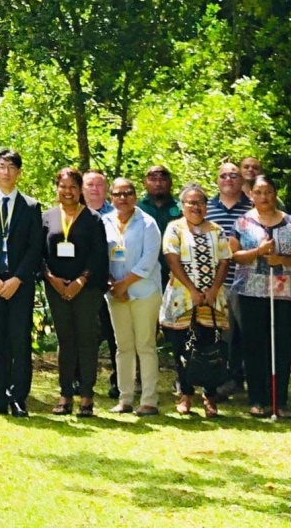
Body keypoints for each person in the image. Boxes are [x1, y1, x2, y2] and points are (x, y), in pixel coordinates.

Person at [0, 148, 42, 418]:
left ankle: (19, 398)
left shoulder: (31, 206)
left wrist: (17, 278)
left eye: (12, 167)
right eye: (1, 166)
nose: (6, 172)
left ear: (19, 172)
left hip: (19, 285)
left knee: (20, 341)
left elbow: (35, 248)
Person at [229, 176, 291, 418]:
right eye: (259, 192)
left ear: (275, 194)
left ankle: (279, 400)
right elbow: (234, 255)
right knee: (253, 345)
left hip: (281, 292)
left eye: (269, 192)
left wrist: (281, 259)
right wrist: (258, 252)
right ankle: (256, 398)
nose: (264, 197)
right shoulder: (242, 222)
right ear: (251, 195)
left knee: (280, 345)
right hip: (250, 291)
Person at [42, 168, 109, 417]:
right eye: (63, 186)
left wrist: (80, 281)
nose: (67, 191)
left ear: (80, 189)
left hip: (86, 289)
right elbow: (39, 253)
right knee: (65, 340)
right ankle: (65, 394)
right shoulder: (47, 217)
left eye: (73, 187)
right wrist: (52, 279)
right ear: (56, 188)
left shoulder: (93, 219)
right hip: (56, 288)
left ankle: (87, 395)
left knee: (86, 340)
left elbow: (98, 254)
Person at [160, 184, 229, 417]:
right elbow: (172, 259)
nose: (195, 207)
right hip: (182, 298)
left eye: (200, 202)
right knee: (182, 348)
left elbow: (224, 260)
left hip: (211, 299)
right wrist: (192, 289)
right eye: (190, 202)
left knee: (210, 347)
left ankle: (210, 397)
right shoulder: (174, 228)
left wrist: (213, 289)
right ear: (182, 205)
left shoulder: (217, 230)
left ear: (206, 206)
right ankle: (185, 395)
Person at [103, 178, 163, 416]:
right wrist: (113, 284)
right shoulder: (105, 221)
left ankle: (149, 400)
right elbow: (101, 256)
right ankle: (125, 399)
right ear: (111, 198)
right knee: (123, 347)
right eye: (118, 194)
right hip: (115, 293)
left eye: (128, 193)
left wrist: (125, 284)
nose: (123, 198)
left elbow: (149, 259)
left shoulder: (148, 223)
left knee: (145, 346)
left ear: (136, 196)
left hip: (144, 292)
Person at [207, 161, 253, 395]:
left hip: (246, 281)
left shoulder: (252, 206)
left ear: (241, 180)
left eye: (233, 175)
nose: (228, 179)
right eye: (223, 175)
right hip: (215, 283)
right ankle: (220, 380)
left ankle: (243, 379)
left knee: (246, 335)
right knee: (221, 335)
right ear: (217, 180)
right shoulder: (206, 207)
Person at [84, 168, 119, 398]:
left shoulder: (118, 215)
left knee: (115, 334)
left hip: (112, 283)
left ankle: (119, 381)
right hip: (81, 284)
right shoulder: (74, 213)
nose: (95, 189)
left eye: (100, 184)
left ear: (106, 188)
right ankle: (79, 380)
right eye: (90, 184)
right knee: (83, 334)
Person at [140, 165, 181, 289]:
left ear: (170, 182)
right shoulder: (137, 208)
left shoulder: (181, 207)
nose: (158, 183)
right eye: (153, 179)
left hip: (176, 272)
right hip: (143, 273)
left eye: (163, 179)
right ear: (144, 183)